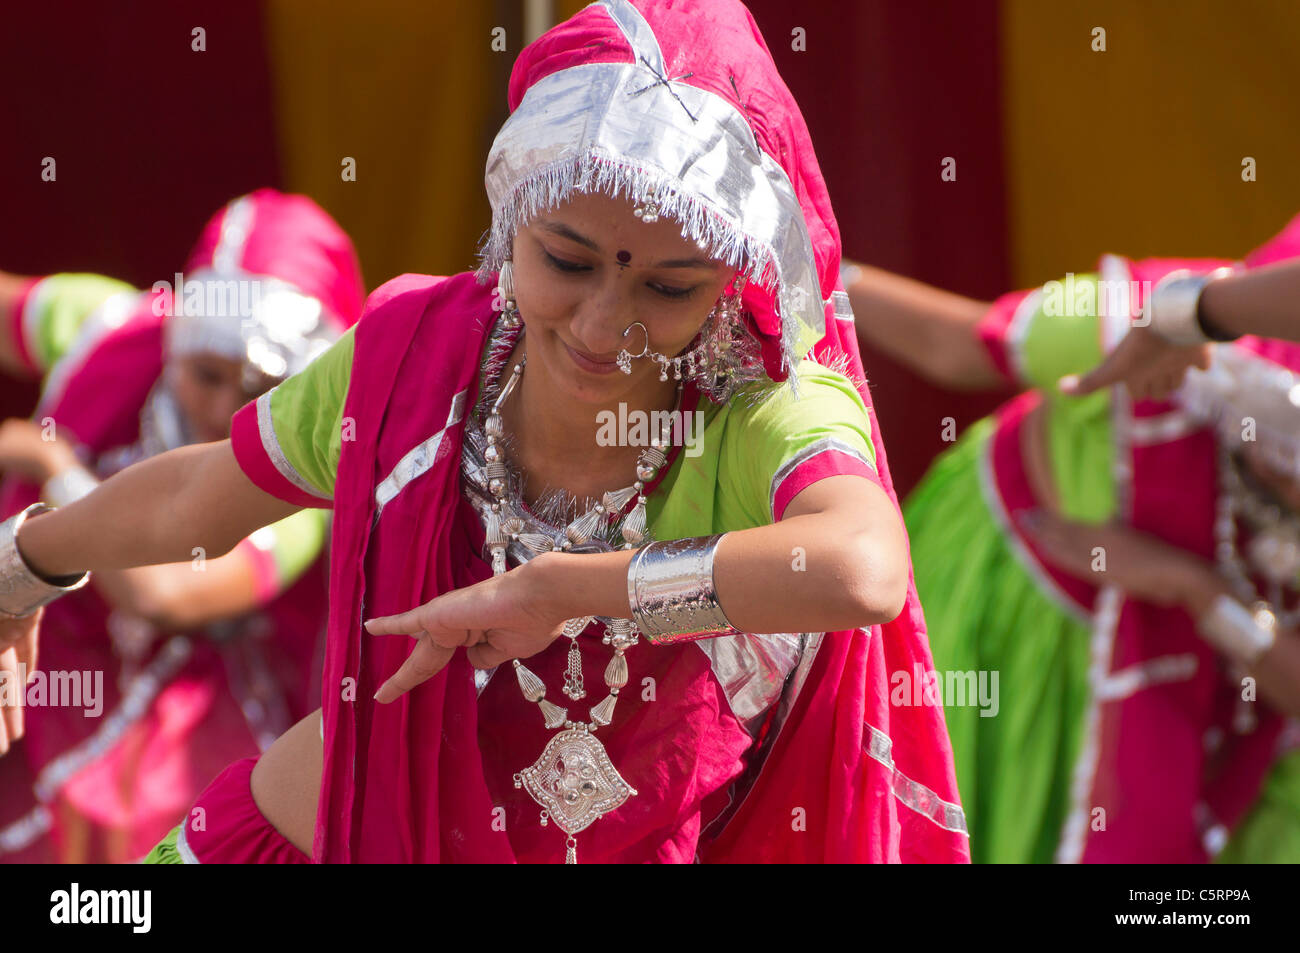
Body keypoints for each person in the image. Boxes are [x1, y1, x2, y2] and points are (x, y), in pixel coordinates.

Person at [0, 0, 969, 864]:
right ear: (512, 221)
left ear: (731, 281)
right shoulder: (415, 355)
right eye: (566, 261)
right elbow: (198, 498)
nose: (602, 323)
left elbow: (861, 571)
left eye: (667, 287)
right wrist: (20, 568)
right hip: (310, 835)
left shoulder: (759, 398)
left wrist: (564, 588)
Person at [845, 214, 1300, 862]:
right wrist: (820, 271)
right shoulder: (1136, 327)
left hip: (1216, 697)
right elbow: (959, 344)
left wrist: (1191, 588)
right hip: (1000, 612)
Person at [0, 189, 364, 862]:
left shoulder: (310, 485)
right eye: (207, 374)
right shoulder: (110, 328)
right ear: (177, 336)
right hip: (34, 661)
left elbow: (159, 592)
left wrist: (49, 466)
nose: (226, 407)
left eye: (261, 389)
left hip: (177, 747)